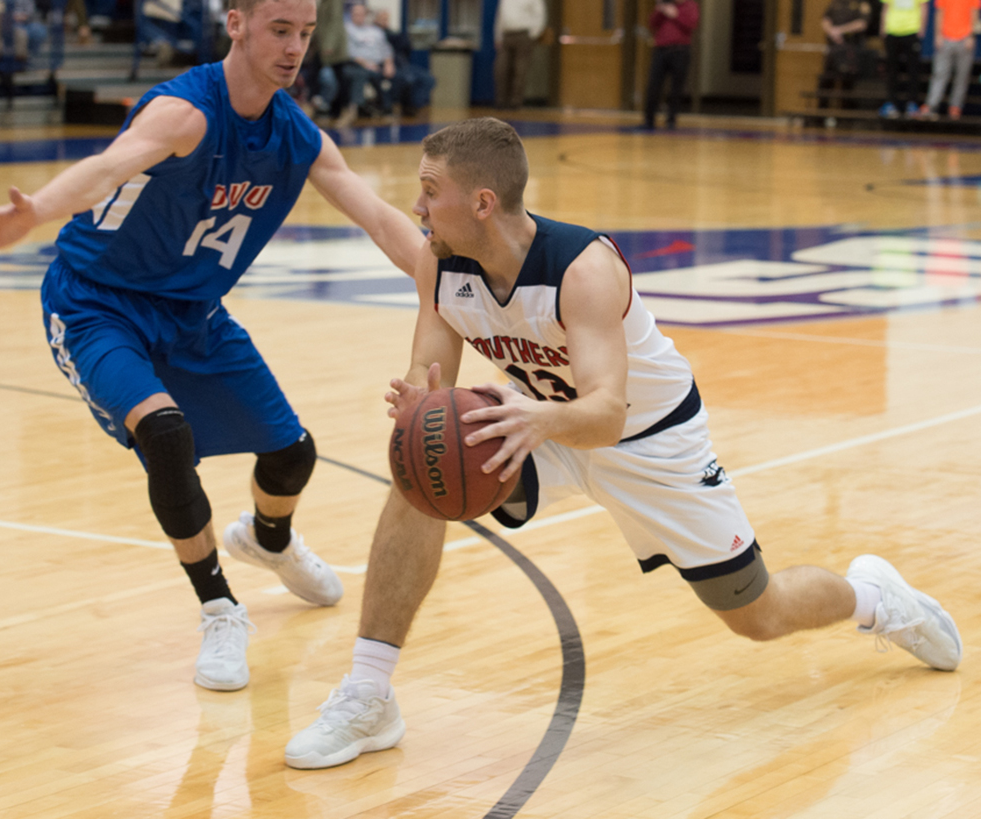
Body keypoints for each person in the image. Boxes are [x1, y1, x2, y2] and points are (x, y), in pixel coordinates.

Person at [283, 117, 963, 770]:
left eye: (431, 190)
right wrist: (418, 406)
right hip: (536, 419)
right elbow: (429, 379)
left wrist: (533, 417)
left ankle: (876, 597)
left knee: (757, 614)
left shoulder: (583, 267)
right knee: (424, 475)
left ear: (483, 201)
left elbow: (606, 414)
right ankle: (370, 693)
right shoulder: (442, 265)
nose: (417, 205)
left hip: (651, 440)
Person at [0, 0, 424, 693]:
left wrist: (461, 283)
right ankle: (219, 607)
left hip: (193, 314)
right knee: (166, 434)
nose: (295, 48)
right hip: (96, 304)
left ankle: (268, 539)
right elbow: (108, 166)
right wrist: (38, 211)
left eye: (304, 32)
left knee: (292, 452)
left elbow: (384, 221)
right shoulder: (187, 113)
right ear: (235, 23)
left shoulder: (298, 137)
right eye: (279, 29)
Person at [920, 0, 980, 120]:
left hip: (965, 38)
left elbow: (974, 13)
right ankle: (932, 104)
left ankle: (955, 107)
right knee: (939, 73)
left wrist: (971, 36)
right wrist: (938, 35)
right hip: (946, 37)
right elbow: (939, 13)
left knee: (962, 76)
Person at [644, 0, 699, 130]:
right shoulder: (664, 5)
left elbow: (691, 24)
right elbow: (652, 23)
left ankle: (671, 120)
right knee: (653, 85)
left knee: (677, 88)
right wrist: (660, 11)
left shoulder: (690, 5)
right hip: (661, 50)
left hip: (680, 51)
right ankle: (649, 120)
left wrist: (675, 15)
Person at [339, 2, 393, 124]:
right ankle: (354, 109)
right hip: (355, 65)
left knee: (394, 76)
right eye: (356, 14)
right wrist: (368, 65)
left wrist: (389, 64)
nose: (359, 16)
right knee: (360, 74)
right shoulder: (346, 30)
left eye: (361, 14)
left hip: (376, 65)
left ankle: (386, 108)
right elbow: (349, 53)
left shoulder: (375, 31)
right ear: (351, 14)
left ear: (366, 15)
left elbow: (386, 49)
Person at [374, 8, 434, 116]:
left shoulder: (394, 33)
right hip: (385, 65)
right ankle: (390, 106)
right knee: (407, 79)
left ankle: (413, 106)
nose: (385, 21)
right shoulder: (373, 34)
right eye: (382, 19)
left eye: (386, 19)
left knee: (428, 79)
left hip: (402, 64)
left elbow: (406, 47)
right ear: (376, 20)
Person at [879, 0, 929, 118]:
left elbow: (924, 7)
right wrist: (883, 27)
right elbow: (886, 7)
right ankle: (891, 104)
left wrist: (921, 29)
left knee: (913, 70)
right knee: (892, 70)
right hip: (892, 31)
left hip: (912, 31)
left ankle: (912, 104)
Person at [493, 0, 546, 110]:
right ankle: (501, 101)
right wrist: (498, 37)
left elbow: (540, 16)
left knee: (520, 70)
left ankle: (515, 103)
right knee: (501, 69)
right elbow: (500, 17)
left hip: (524, 35)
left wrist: (532, 35)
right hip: (506, 35)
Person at [820, 0, 871, 109]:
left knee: (847, 85)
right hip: (834, 49)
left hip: (851, 49)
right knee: (826, 81)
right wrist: (832, 32)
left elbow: (862, 24)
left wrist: (840, 30)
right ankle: (820, 117)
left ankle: (845, 117)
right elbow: (825, 19)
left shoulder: (861, 4)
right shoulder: (836, 3)